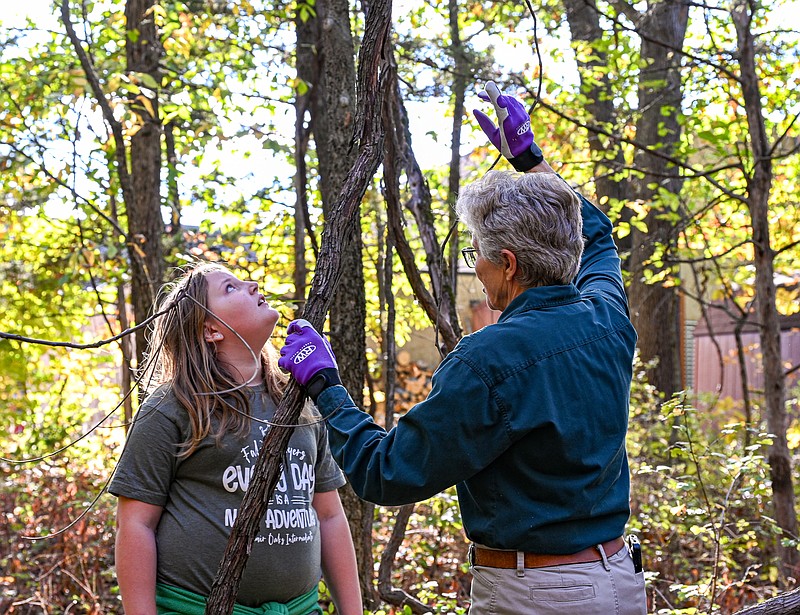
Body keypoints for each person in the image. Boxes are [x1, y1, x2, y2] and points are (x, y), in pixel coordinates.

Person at [279, 82, 647, 614]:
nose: (475, 268)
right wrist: (530, 159)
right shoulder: (607, 318)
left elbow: (387, 472)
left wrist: (326, 387)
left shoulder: (487, 361)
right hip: (616, 582)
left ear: (510, 263)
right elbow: (596, 234)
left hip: (538, 597)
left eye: (478, 254)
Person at [108, 262, 363, 615]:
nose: (253, 284)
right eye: (230, 288)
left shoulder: (299, 403)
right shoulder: (174, 407)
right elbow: (135, 523)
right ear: (210, 329)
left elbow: (330, 515)